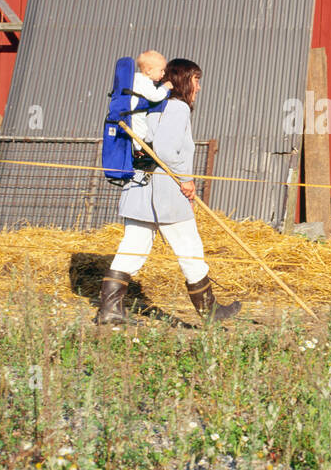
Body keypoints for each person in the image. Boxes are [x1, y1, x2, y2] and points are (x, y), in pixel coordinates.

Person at [94, 58, 242, 325]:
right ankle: (210, 312)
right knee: (190, 248)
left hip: (139, 189)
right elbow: (164, 149)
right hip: (167, 192)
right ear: (185, 79)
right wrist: (186, 180)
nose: (199, 88)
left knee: (133, 248)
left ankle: (110, 309)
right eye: (196, 80)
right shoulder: (177, 108)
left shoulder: (152, 105)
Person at [128, 49, 170, 151]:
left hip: (131, 114)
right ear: (149, 71)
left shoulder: (135, 79)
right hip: (136, 116)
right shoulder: (145, 82)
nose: (163, 73)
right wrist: (165, 87)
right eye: (161, 70)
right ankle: (138, 149)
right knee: (141, 131)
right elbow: (156, 96)